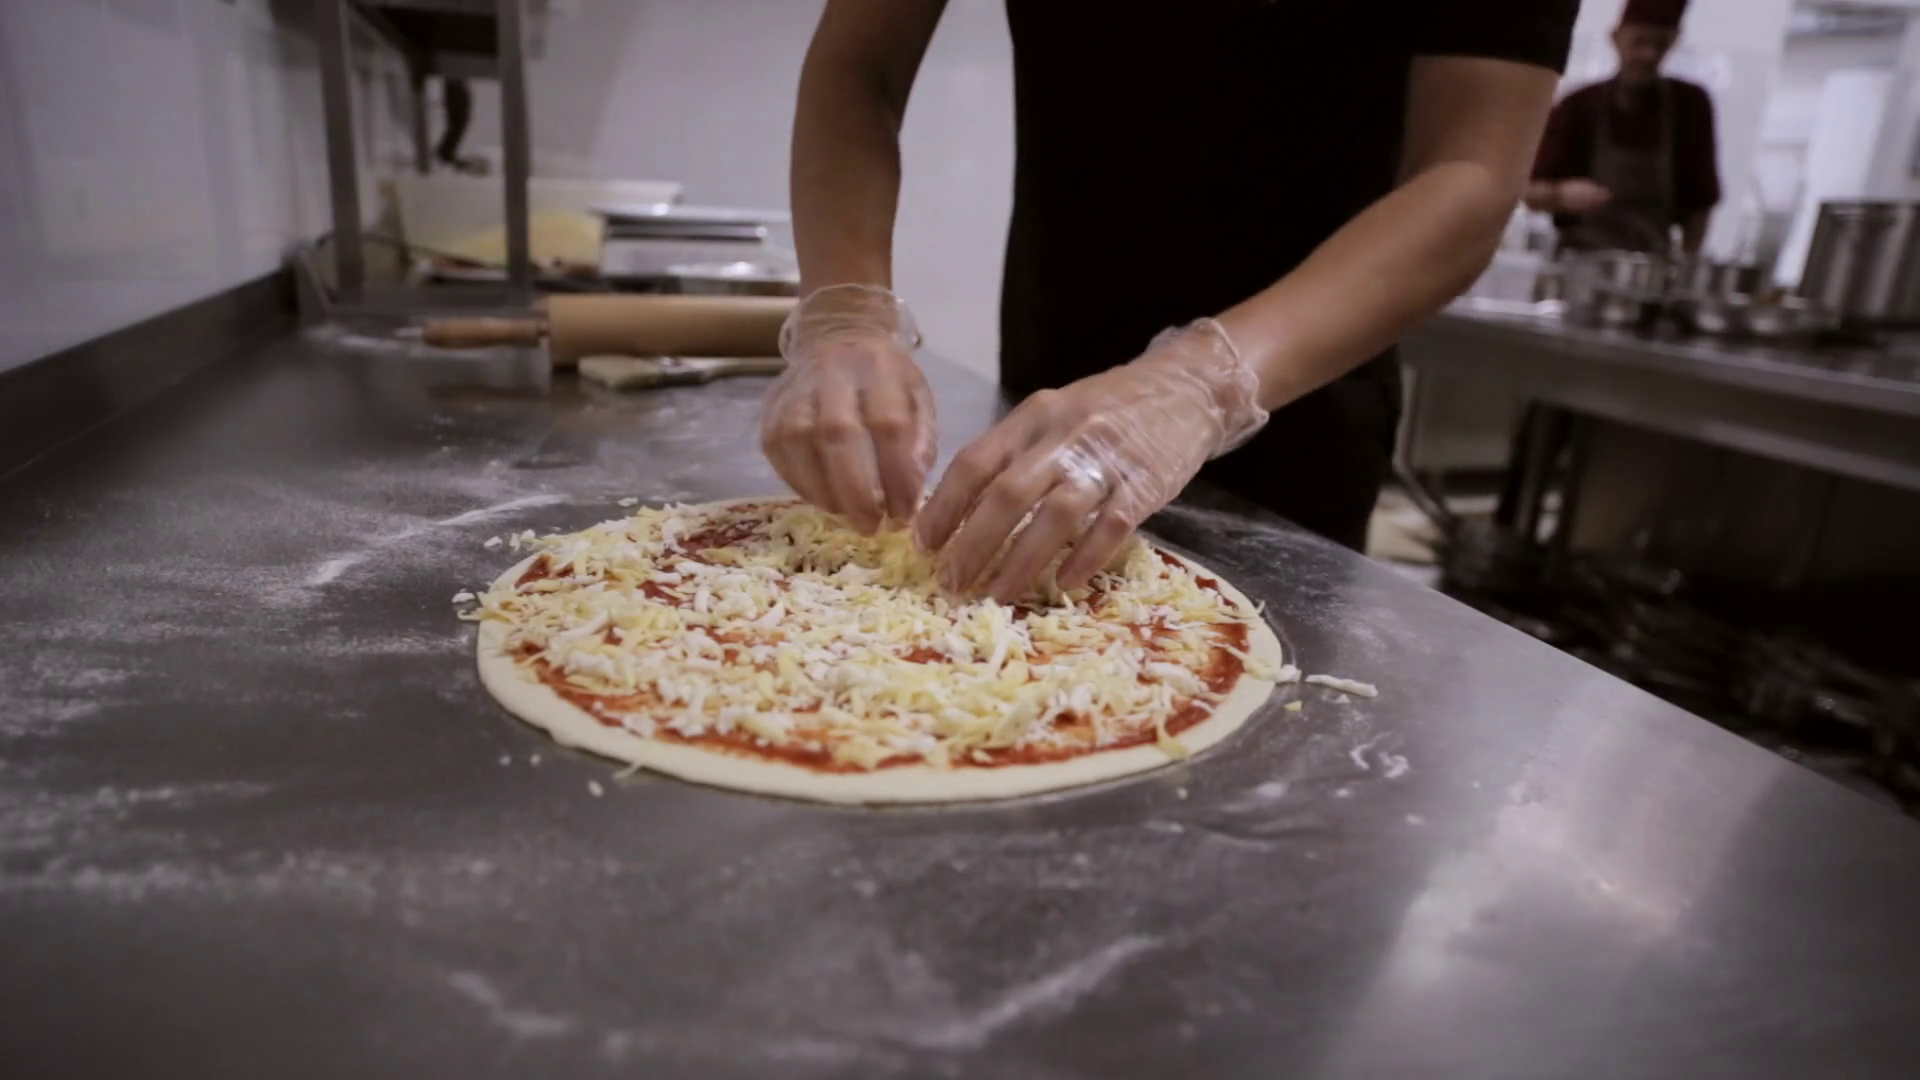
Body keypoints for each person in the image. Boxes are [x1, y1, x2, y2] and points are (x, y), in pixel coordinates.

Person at [763, 1, 1578, 602]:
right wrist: (845, 309)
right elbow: (860, 64)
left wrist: (1205, 381)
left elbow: (1469, 172)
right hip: (1048, 367)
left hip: (1301, 404)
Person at [1525, 0, 1720, 254]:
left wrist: (1687, 263)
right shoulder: (1579, 105)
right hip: (1578, 261)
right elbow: (1526, 192)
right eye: (1640, 41)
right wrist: (1560, 195)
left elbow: (1700, 203)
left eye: (1660, 44)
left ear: (1674, 42)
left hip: (1652, 268)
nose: (1649, 54)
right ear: (1615, 38)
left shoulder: (1690, 106)